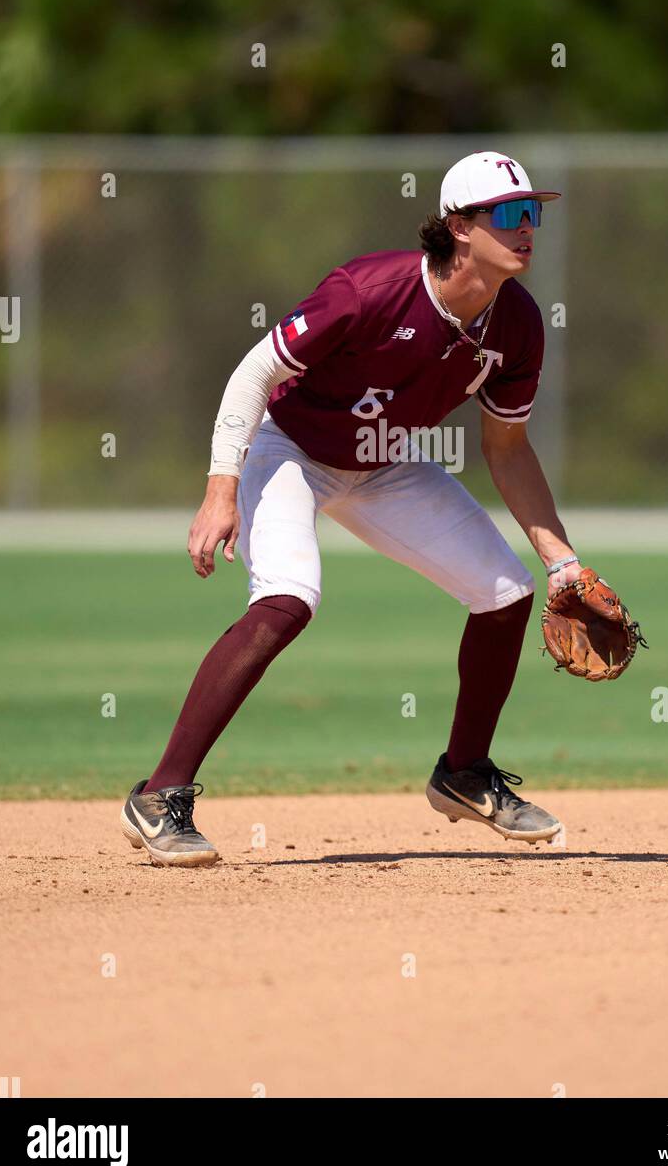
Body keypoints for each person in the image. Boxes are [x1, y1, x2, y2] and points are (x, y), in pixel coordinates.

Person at [120, 150, 585, 866]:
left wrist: (564, 563)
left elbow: (508, 449)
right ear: (460, 227)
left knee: (506, 594)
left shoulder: (517, 324)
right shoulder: (367, 291)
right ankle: (160, 792)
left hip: (387, 464)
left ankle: (464, 774)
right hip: (293, 451)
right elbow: (255, 372)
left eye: (535, 214)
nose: (529, 228)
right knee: (287, 598)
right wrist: (221, 487)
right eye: (511, 214)